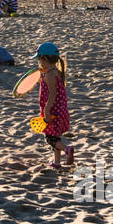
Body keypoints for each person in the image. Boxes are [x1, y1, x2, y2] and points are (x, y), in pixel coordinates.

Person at [35, 42, 73, 170]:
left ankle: (67, 149)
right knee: (56, 135)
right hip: (60, 110)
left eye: (39, 59)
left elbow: (52, 94)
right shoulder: (56, 72)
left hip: (52, 111)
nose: (39, 62)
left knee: (50, 138)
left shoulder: (50, 75)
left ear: (44, 59)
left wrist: (46, 110)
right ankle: (57, 163)